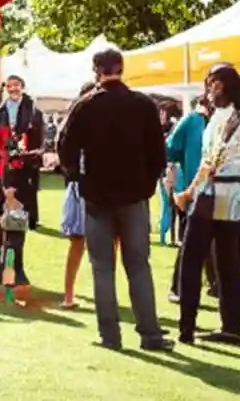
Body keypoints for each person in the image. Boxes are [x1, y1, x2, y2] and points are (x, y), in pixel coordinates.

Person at [58, 48, 172, 352]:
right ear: (121, 68)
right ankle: (150, 334)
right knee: (138, 265)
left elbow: (64, 146)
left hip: (97, 195)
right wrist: (146, 185)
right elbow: (159, 155)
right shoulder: (143, 105)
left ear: (97, 71)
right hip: (134, 195)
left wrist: (76, 177)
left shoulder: (85, 106)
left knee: (102, 267)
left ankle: (110, 336)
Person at [174, 63, 240, 346]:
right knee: (228, 262)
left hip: (215, 195)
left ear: (222, 85)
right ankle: (230, 327)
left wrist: (187, 193)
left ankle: (188, 327)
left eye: (213, 84)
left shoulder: (229, 118)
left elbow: (208, 163)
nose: (210, 90)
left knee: (193, 259)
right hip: (238, 197)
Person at [0, 75, 46, 286]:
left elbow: (40, 147)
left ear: (23, 87)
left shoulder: (34, 113)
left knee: (16, 223)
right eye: (9, 87)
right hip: (2, 177)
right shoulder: (0, 113)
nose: (13, 90)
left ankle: (16, 270)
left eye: (16, 86)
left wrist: (23, 156)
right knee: (1, 224)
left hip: (22, 177)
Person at [165, 94, 217, 303]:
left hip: (199, 189)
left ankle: (211, 284)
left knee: (197, 240)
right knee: (197, 239)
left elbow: (170, 149)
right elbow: (171, 149)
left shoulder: (194, 121)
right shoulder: (196, 121)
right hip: (199, 190)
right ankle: (182, 286)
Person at [60, 81, 96, 309]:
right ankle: (69, 295)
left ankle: (70, 296)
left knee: (80, 244)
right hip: (84, 188)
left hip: (81, 187)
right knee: (81, 243)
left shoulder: (72, 125)